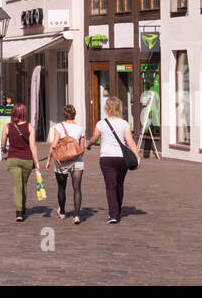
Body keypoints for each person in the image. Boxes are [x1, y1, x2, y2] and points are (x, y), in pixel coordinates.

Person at [90, 96, 139, 224]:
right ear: (119, 108)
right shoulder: (124, 124)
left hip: (106, 158)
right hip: (121, 158)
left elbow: (94, 138)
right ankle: (117, 209)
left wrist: (88, 144)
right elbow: (130, 142)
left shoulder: (101, 123)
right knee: (119, 184)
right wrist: (137, 156)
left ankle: (113, 214)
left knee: (110, 186)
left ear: (106, 108)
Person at [3, 103, 43, 222]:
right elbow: (33, 146)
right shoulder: (30, 127)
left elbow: (3, 144)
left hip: (13, 159)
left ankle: (19, 211)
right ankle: (22, 208)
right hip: (26, 159)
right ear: (23, 113)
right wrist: (37, 163)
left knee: (17, 185)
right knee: (23, 184)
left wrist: (5, 150)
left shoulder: (7, 127)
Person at [46, 105, 86, 224]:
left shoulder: (58, 127)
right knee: (77, 189)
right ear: (75, 114)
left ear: (64, 115)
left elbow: (54, 145)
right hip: (77, 161)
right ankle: (77, 216)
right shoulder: (80, 128)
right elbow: (82, 148)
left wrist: (49, 159)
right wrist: (75, 159)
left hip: (61, 161)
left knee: (61, 188)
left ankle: (62, 212)